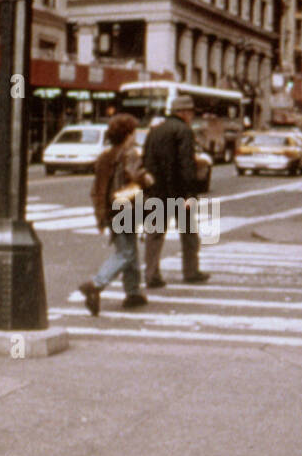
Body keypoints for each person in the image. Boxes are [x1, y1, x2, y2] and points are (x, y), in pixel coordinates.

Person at [78, 113, 152, 316]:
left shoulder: (105, 157)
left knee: (129, 249)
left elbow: (96, 190)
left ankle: (133, 292)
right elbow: (136, 175)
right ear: (128, 134)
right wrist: (147, 179)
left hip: (111, 210)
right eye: (134, 131)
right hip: (126, 208)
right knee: (126, 253)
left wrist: (100, 215)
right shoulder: (130, 154)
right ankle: (95, 285)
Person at [142, 94, 209, 287]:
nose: (192, 116)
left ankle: (151, 275)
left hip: (156, 191)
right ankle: (191, 271)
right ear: (184, 112)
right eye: (191, 113)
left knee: (154, 234)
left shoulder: (154, 131)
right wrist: (190, 194)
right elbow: (186, 164)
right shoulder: (184, 131)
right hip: (178, 193)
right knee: (188, 233)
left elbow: (147, 160)